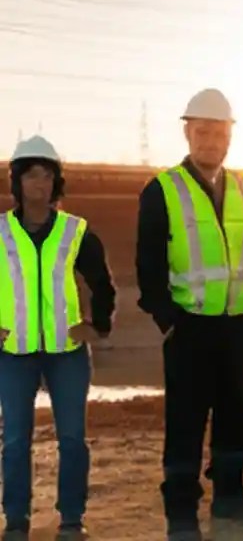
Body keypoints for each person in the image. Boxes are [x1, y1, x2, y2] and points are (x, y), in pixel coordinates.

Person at [136, 88, 243, 541]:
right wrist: (168, 320)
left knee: (236, 411)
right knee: (187, 417)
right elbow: (148, 265)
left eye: (218, 132)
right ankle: (181, 512)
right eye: (202, 132)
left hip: (237, 324)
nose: (211, 141)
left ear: (230, 136)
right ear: (187, 133)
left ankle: (230, 497)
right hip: (190, 325)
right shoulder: (162, 190)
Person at [0, 136, 115, 541]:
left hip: (66, 353)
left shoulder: (74, 231)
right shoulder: (0, 232)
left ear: (56, 183)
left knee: (72, 439)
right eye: (31, 175)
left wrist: (97, 325)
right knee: (15, 439)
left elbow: (102, 283)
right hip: (13, 354)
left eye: (47, 176)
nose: (40, 184)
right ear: (17, 181)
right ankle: (16, 522)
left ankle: (71, 520)